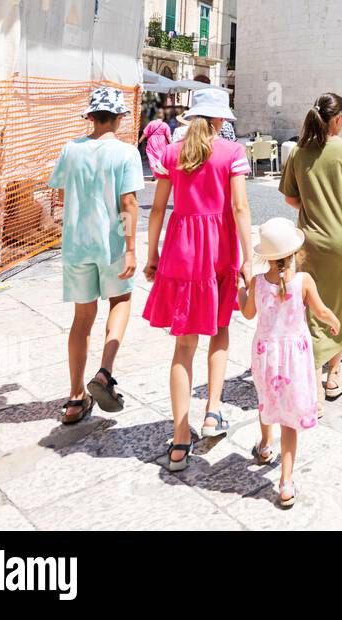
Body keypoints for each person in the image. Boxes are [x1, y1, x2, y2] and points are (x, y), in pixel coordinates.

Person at [143, 87, 254, 472]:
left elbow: (158, 208)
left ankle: (179, 439)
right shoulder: (232, 153)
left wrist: (151, 253)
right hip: (220, 249)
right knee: (219, 329)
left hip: (181, 249)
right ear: (220, 120)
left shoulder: (172, 154)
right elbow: (240, 206)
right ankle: (212, 412)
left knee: (183, 345)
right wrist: (249, 258)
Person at [48, 88, 145, 424]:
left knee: (81, 319)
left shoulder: (70, 149)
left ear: (90, 117)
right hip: (112, 244)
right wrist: (131, 247)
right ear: (118, 118)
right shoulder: (125, 153)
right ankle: (104, 372)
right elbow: (129, 203)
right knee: (120, 302)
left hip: (77, 244)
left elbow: (60, 193)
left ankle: (75, 398)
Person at [279, 92, 342, 407]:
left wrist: (314, 204)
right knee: (339, 304)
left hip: (310, 243)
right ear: (338, 119)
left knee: (311, 306)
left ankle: (309, 367)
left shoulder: (298, 152)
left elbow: (290, 199)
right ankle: (332, 374)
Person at [238, 217, 340, 509]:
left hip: (266, 355)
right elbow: (320, 311)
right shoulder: (303, 281)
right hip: (294, 358)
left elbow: (246, 313)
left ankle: (265, 445)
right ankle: (285, 483)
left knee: (266, 401)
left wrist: (240, 290)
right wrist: (334, 321)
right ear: (296, 252)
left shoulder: (258, 283)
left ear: (266, 256)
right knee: (289, 420)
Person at [141, 110, 171, 179]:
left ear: (156, 115)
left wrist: (139, 141)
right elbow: (168, 136)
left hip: (152, 142)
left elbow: (145, 133)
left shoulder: (151, 123)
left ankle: (154, 174)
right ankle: (160, 173)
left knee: (152, 158)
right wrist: (171, 144)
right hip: (162, 143)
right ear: (163, 116)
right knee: (160, 158)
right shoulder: (165, 125)